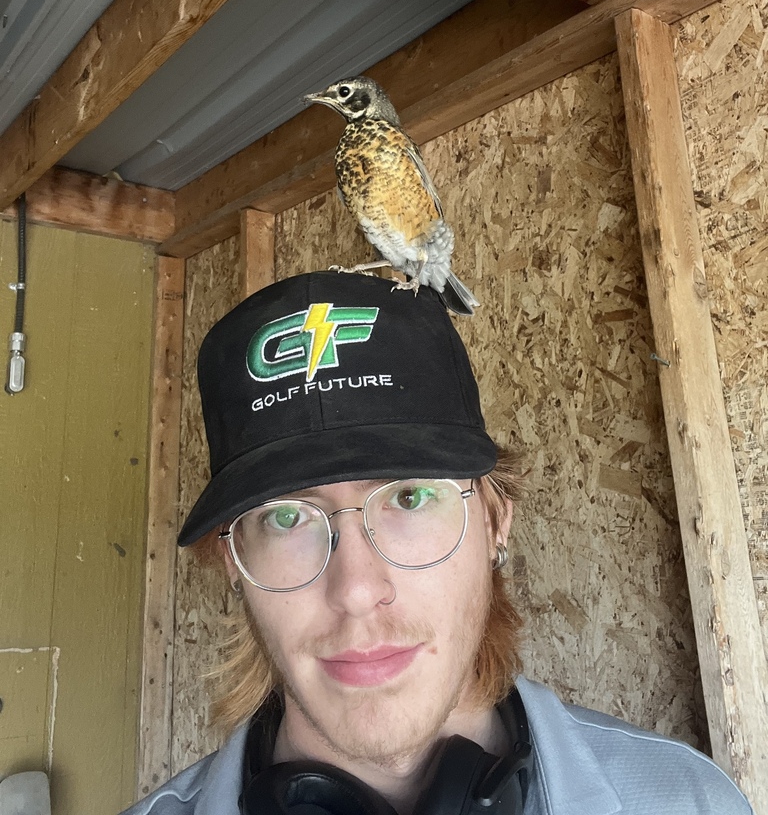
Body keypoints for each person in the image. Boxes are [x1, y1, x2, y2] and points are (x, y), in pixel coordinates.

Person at [122, 271, 752, 815]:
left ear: (496, 519)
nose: (358, 590)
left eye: (409, 497)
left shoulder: (687, 801)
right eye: (286, 519)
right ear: (232, 559)